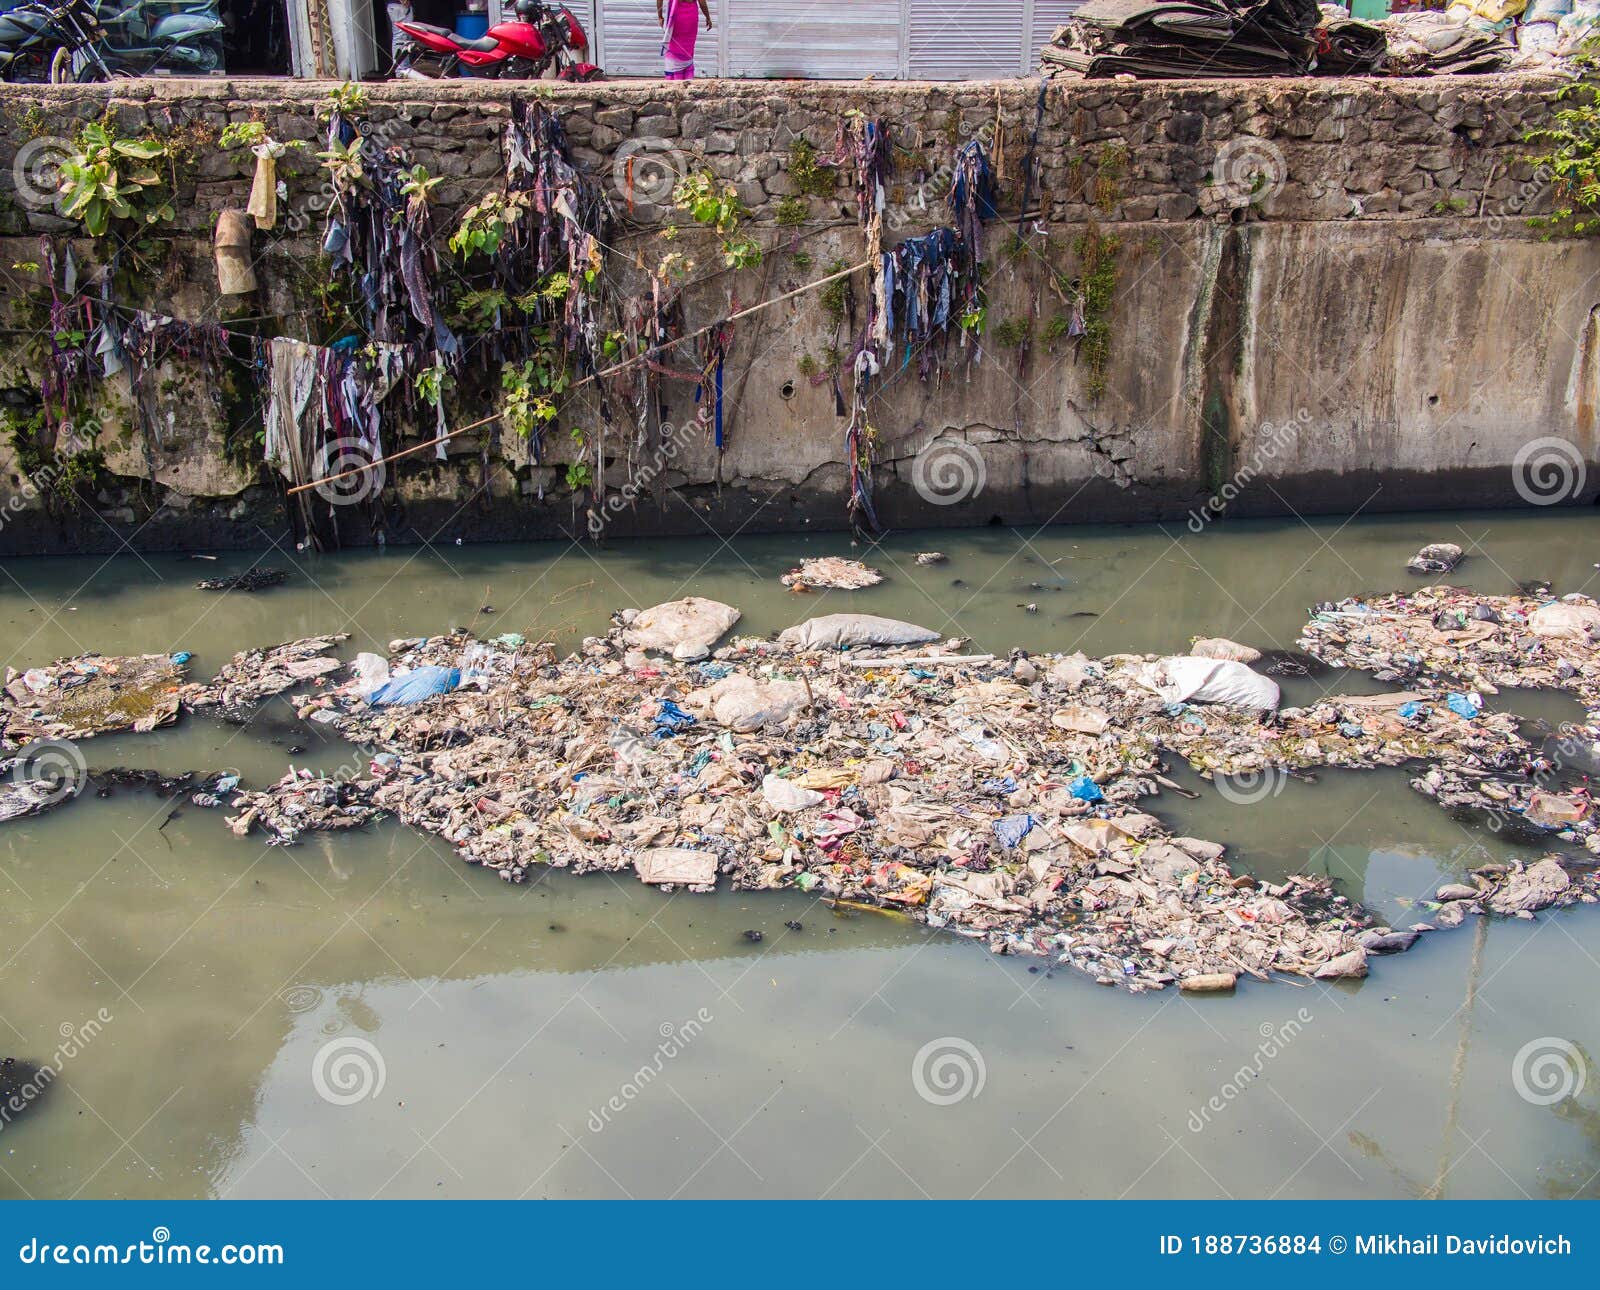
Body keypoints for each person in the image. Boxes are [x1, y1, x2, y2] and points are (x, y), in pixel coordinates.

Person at [658, 0, 712, 80]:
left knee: (674, 46)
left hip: (675, 17)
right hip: (691, 17)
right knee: (687, 49)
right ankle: (687, 79)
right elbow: (702, 2)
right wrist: (708, 17)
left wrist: (660, 16)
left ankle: (673, 79)